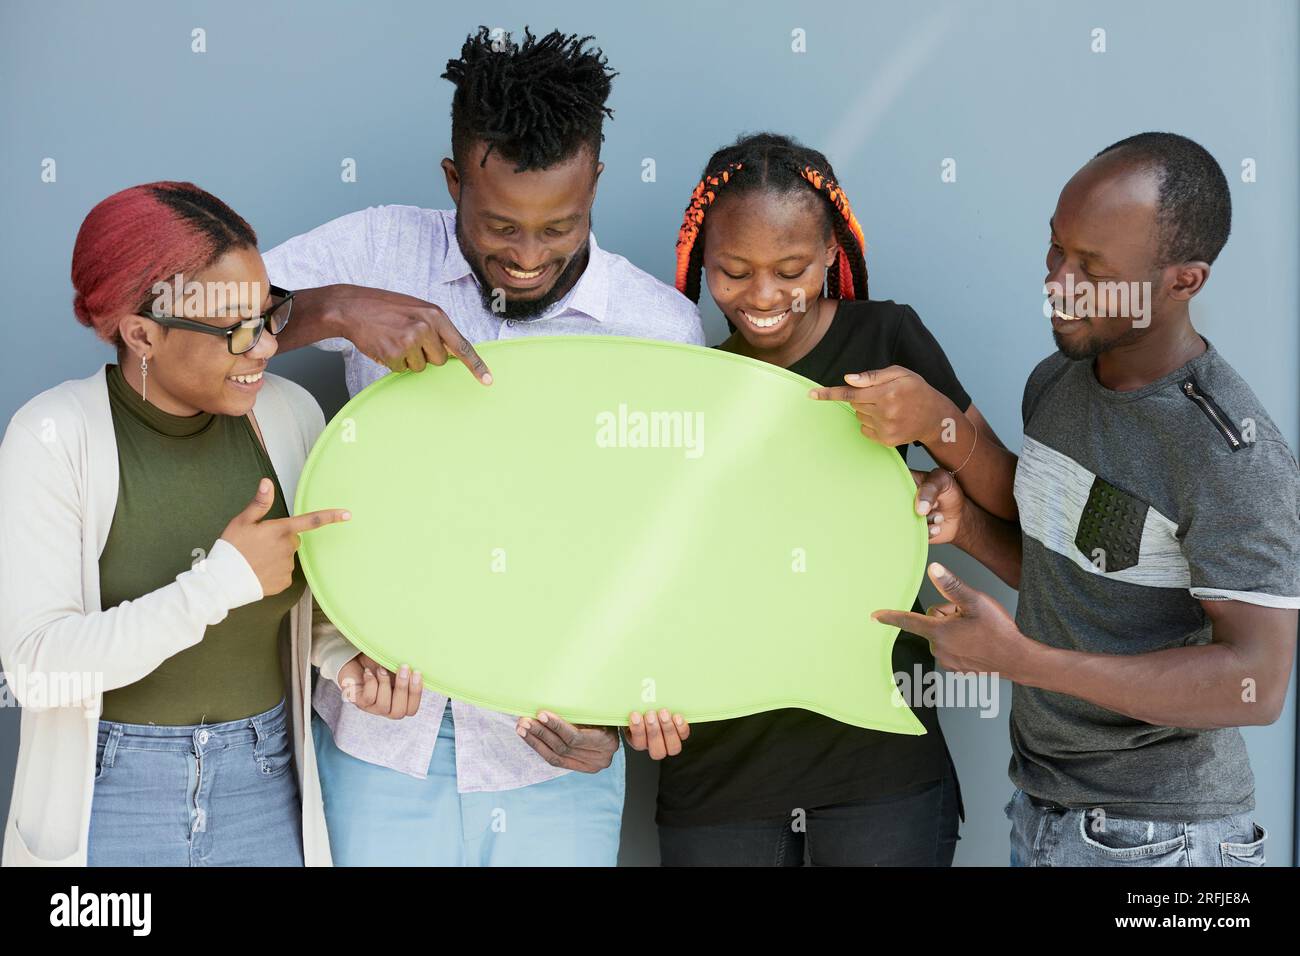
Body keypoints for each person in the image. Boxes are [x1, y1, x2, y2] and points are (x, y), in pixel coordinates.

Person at [265, 27, 702, 866]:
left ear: (598, 183)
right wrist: (337, 310)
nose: (527, 257)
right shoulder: (378, 249)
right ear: (453, 178)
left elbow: (671, 548)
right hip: (381, 735)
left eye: (560, 227)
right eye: (500, 225)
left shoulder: (663, 333)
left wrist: (616, 716)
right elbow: (190, 325)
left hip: (554, 761)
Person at [874, 132, 1300, 867]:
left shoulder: (1230, 456)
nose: (1058, 283)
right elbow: (1076, 572)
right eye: (1056, 249)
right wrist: (967, 522)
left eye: (1093, 268)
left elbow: (1256, 685)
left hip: (1164, 840)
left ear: (1182, 281)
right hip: (1044, 811)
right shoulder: (1059, 381)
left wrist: (1022, 661)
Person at [647, 132, 1021, 866]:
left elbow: (1010, 502)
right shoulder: (683, 381)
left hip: (878, 759)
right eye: (734, 270)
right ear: (698, 258)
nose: (762, 296)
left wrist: (933, 422)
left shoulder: (886, 336)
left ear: (830, 254)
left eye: (791, 270)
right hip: (718, 762)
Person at [0, 181, 374, 866]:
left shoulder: (290, 419)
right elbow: (35, 668)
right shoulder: (52, 436)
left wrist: (346, 662)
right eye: (235, 328)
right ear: (142, 333)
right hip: (109, 796)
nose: (264, 346)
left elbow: (302, 603)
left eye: (269, 316)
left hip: (265, 784)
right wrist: (217, 583)